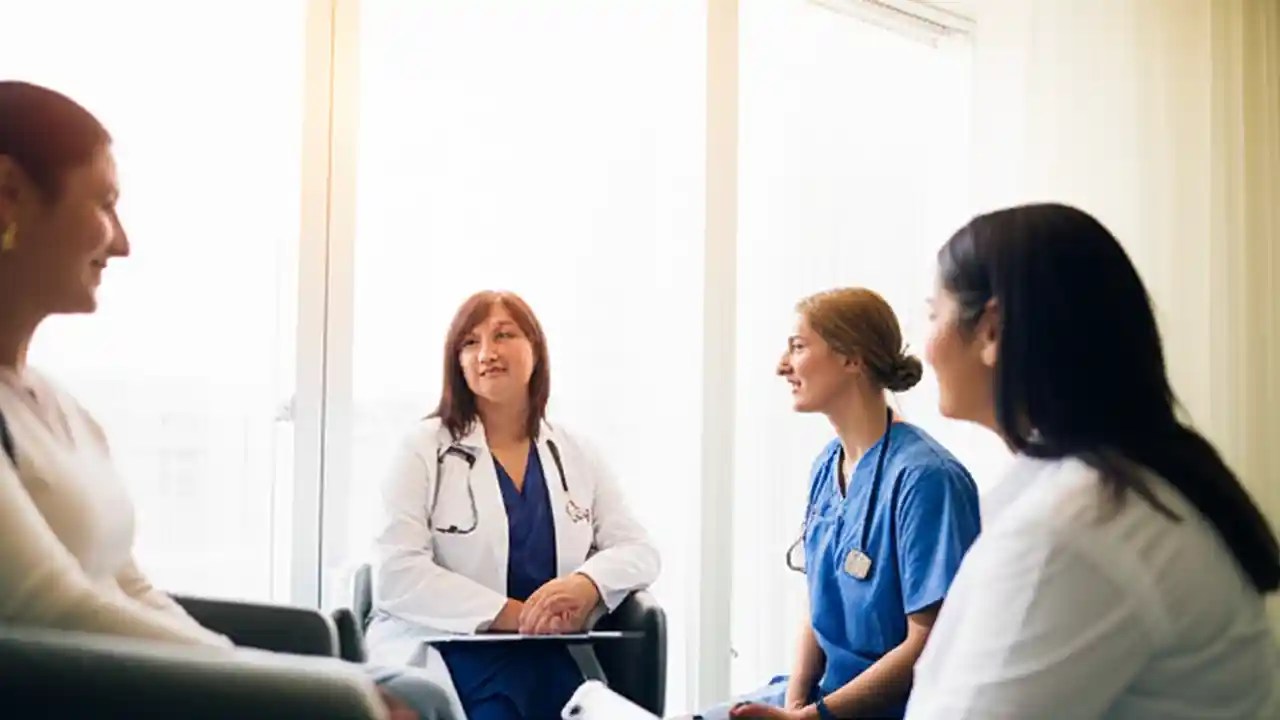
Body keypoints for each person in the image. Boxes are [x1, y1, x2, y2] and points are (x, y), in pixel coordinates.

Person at [0, 80, 453, 720]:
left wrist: (243, 665)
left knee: (419, 693)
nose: (122, 242)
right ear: (9, 195)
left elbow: (130, 588)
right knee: (365, 700)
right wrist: (284, 685)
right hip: (67, 692)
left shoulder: (61, 408)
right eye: (104, 203)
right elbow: (52, 608)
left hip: (127, 675)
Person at [906, 203, 1280, 719]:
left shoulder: (1070, 531)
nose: (925, 346)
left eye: (933, 315)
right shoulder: (1113, 489)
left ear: (991, 330)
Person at [365, 289, 661, 720]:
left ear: (536, 350)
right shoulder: (421, 448)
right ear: (457, 362)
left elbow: (639, 550)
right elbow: (396, 574)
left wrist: (586, 584)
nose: (487, 353)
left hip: (545, 657)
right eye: (470, 342)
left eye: (504, 335)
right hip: (448, 647)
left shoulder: (577, 452)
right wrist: (516, 615)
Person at [700, 288, 981, 720]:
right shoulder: (827, 465)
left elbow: (928, 642)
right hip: (819, 699)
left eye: (797, 347)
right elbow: (818, 606)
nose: (782, 366)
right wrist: (794, 705)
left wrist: (810, 718)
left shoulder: (927, 480)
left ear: (852, 359)